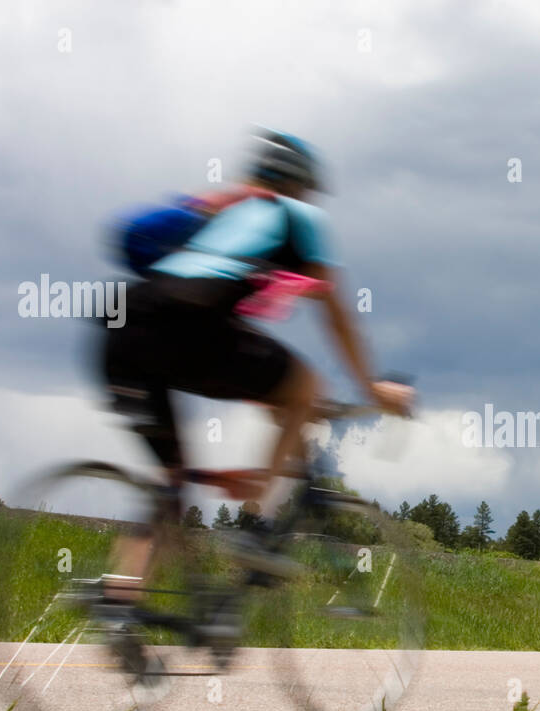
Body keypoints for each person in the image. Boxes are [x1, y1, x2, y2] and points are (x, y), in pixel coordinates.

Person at [99, 128, 412, 601]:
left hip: (124, 329)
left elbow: (234, 361)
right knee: (305, 384)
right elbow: (336, 314)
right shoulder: (295, 215)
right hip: (189, 326)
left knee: (172, 483)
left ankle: (121, 604)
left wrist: (283, 410)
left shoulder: (218, 211)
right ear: (300, 187)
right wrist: (372, 388)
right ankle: (254, 528)